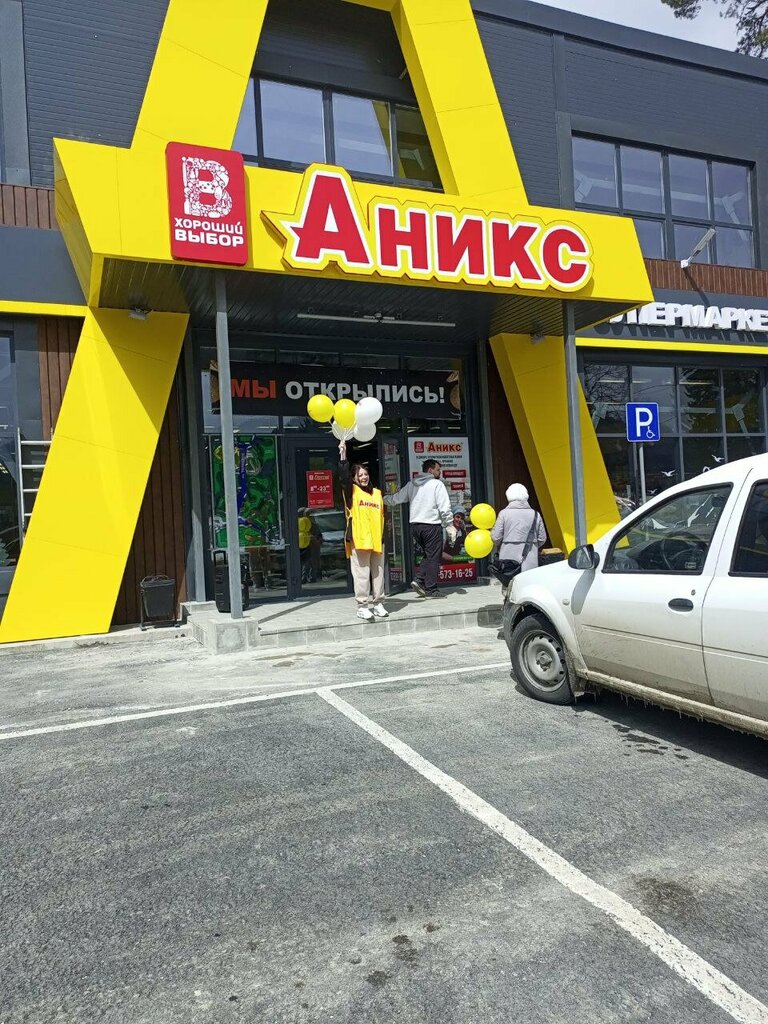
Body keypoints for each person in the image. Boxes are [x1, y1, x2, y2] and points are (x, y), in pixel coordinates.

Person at [384, 458, 457, 598]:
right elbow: (444, 507)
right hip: (431, 525)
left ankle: (419, 580)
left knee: (430, 555)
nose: (440, 472)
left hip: (415, 526)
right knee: (434, 557)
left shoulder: (412, 484)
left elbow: (397, 498)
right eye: (438, 470)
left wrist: (382, 499)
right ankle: (431, 589)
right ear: (430, 470)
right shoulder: (437, 484)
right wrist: (449, 524)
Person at [338, 440, 387, 621]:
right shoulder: (351, 492)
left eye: (366, 474)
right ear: (354, 478)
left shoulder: (377, 493)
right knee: (362, 574)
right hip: (359, 540)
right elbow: (343, 477)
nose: (364, 477)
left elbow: (382, 517)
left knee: (379, 573)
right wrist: (343, 455)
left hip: (377, 540)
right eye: (360, 475)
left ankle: (379, 603)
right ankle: (362, 606)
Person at [491, 482, 547, 589]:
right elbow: (542, 538)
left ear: (509, 496)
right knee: (529, 587)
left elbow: (496, 537)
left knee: (510, 588)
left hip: (508, 562)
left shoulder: (504, 513)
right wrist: (532, 546)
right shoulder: (536, 514)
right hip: (530, 560)